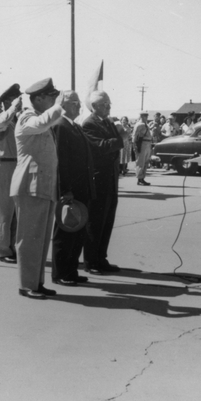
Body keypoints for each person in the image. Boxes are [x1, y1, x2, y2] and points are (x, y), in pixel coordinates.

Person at [10, 78, 64, 299]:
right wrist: (60, 106)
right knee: (29, 237)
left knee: (40, 238)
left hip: (42, 185)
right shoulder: (27, 117)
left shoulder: (43, 119)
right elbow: (41, 123)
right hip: (29, 185)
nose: (54, 100)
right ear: (39, 98)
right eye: (51, 97)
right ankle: (27, 285)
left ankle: (36, 282)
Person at [51, 90, 95, 286]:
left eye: (78, 102)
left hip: (82, 187)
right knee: (65, 230)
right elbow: (61, 161)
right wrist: (65, 189)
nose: (79, 106)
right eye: (74, 102)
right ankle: (60, 273)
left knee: (78, 231)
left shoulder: (74, 126)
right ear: (63, 105)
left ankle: (71, 270)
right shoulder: (60, 126)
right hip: (71, 189)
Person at [82, 90, 124, 274]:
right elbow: (101, 147)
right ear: (94, 106)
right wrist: (121, 139)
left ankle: (101, 258)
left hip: (111, 178)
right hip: (98, 179)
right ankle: (91, 261)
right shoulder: (89, 124)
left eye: (109, 104)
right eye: (104, 104)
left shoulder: (107, 122)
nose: (108, 107)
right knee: (96, 221)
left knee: (107, 220)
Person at [0, 85, 22, 262]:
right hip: (4, 165)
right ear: (7, 101)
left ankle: (12, 247)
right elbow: (1, 123)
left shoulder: (15, 120)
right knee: (4, 211)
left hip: (16, 165)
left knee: (15, 212)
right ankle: (3, 250)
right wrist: (13, 108)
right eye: (15, 99)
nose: (19, 102)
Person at [133, 111, 153, 186]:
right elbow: (134, 136)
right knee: (140, 162)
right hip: (142, 143)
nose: (146, 117)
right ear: (141, 116)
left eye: (147, 116)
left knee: (145, 162)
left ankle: (142, 178)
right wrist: (134, 146)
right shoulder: (139, 125)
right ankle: (139, 178)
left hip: (148, 143)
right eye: (145, 116)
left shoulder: (145, 124)